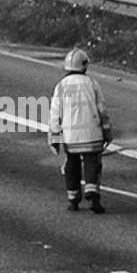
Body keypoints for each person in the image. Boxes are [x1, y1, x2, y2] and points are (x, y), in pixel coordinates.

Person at [48, 48, 112, 213]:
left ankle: (73, 199)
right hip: (92, 134)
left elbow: (55, 114)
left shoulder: (61, 86)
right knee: (92, 163)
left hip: (71, 137)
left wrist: (55, 139)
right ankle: (92, 193)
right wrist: (107, 132)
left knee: (72, 164)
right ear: (84, 65)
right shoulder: (92, 83)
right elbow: (102, 110)